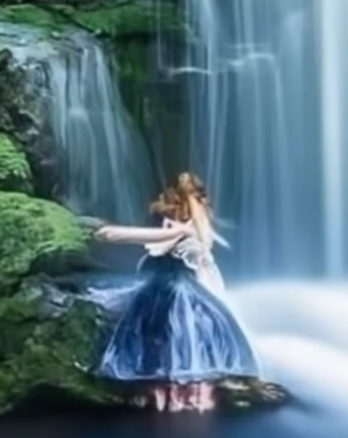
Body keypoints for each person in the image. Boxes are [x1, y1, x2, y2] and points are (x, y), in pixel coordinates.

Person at [93, 172, 259, 413]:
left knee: (174, 334)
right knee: (172, 334)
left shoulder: (187, 231)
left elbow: (198, 249)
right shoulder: (181, 231)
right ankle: (171, 393)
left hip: (176, 288)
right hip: (169, 288)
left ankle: (175, 393)